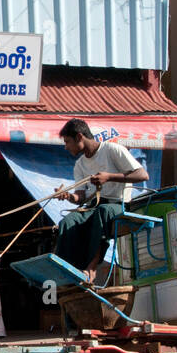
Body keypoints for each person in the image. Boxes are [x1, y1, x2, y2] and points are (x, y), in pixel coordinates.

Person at [53, 119, 149, 279]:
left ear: (79, 137)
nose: (66, 147)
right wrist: (68, 196)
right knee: (68, 222)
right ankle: (67, 271)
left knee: (102, 212)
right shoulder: (80, 165)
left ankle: (91, 268)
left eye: (67, 142)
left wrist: (109, 177)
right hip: (93, 206)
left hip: (118, 204)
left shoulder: (112, 150)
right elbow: (81, 197)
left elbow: (142, 175)